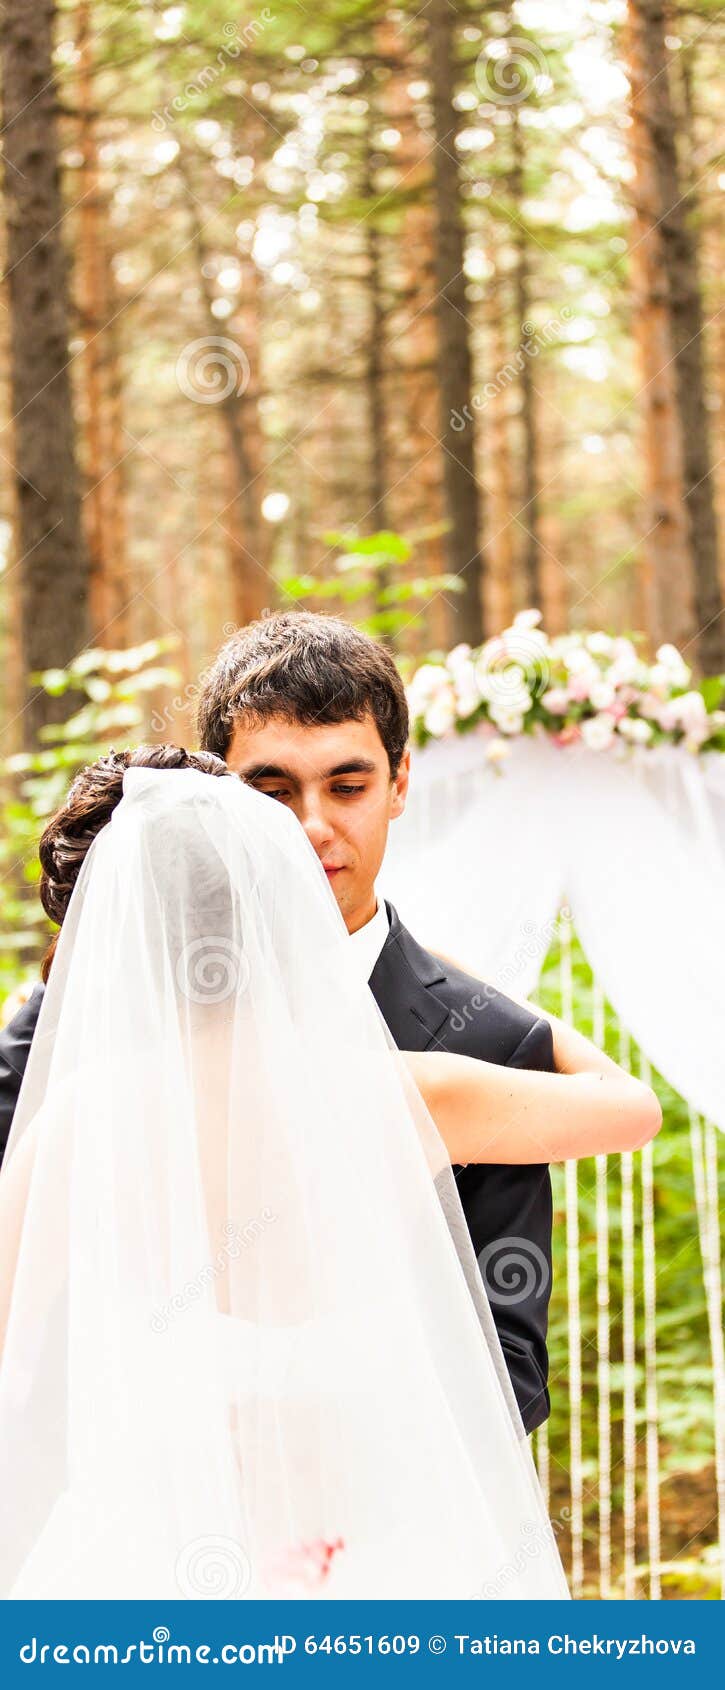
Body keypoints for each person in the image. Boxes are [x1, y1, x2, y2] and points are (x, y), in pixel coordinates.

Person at [0, 755, 658, 1599]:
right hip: (382, 1553)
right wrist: (466, 976)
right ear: (277, 909)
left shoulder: (74, 1124)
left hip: (140, 1559)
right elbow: (629, 1107)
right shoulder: (400, 1094)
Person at [0, 611, 658, 1432]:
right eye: (271, 793)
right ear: (215, 802)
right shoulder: (75, 1020)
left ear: (399, 782)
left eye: (346, 787)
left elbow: (510, 1378)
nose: (311, 826)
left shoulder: (489, 1040)